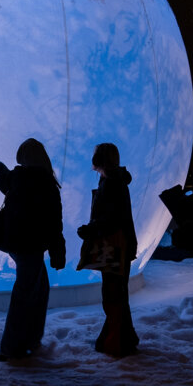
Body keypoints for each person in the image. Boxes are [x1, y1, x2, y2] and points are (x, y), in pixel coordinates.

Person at [0, 138, 66, 361]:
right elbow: (54, 222)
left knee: (35, 291)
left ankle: (24, 342)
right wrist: (57, 252)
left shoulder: (17, 178)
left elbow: (1, 178)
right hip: (32, 247)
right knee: (29, 295)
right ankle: (14, 347)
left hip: (17, 245)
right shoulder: (47, 184)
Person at [76, 143, 139, 357]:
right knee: (117, 292)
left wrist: (89, 230)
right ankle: (123, 338)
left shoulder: (111, 183)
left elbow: (110, 219)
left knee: (113, 294)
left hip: (113, 246)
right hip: (121, 245)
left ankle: (118, 342)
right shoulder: (115, 180)